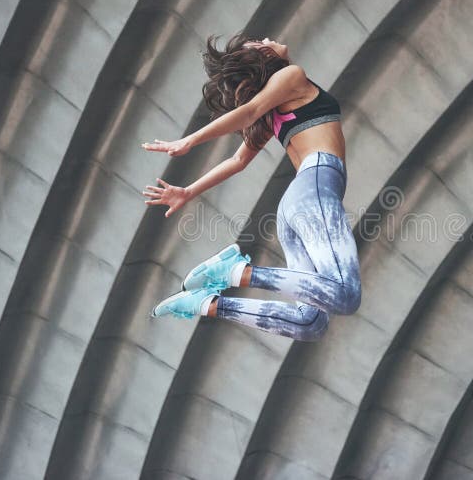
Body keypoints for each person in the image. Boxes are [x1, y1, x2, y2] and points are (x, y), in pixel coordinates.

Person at [140, 33, 361, 342]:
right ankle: (233, 273)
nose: (269, 39)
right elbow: (249, 111)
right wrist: (190, 140)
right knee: (346, 294)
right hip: (316, 187)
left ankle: (206, 304)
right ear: (263, 60)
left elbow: (237, 160)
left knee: (310, 323)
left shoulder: (274, 112)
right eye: (260, 42)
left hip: (295, 207)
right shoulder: (291, 75)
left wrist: (188, 191)